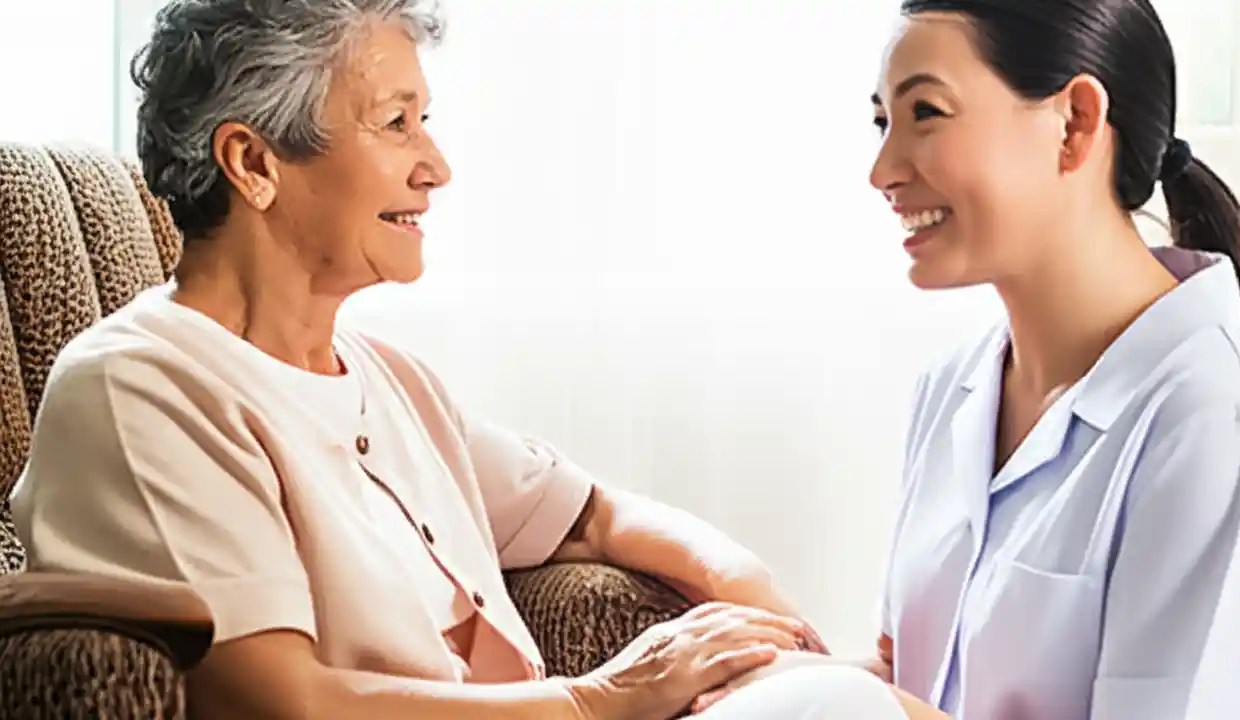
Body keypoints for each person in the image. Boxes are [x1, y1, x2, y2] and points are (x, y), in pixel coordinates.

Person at [7, 1, 907, 718]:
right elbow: (274, 700)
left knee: (832, 694)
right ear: (252, 161)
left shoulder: (386, 379)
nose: (434, 164)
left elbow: (593, 515)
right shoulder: (139, 387)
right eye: (397, 122)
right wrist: (598, 700)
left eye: (424, 120)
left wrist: (759, 606)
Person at [689, 0, 1240, 717]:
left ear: (1075, 125)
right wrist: (745, 676)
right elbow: (920, 675)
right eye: (883, 122)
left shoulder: (1223, 416)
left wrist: (838, 701)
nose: (882, 170)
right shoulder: (955, 388)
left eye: (927, 114)